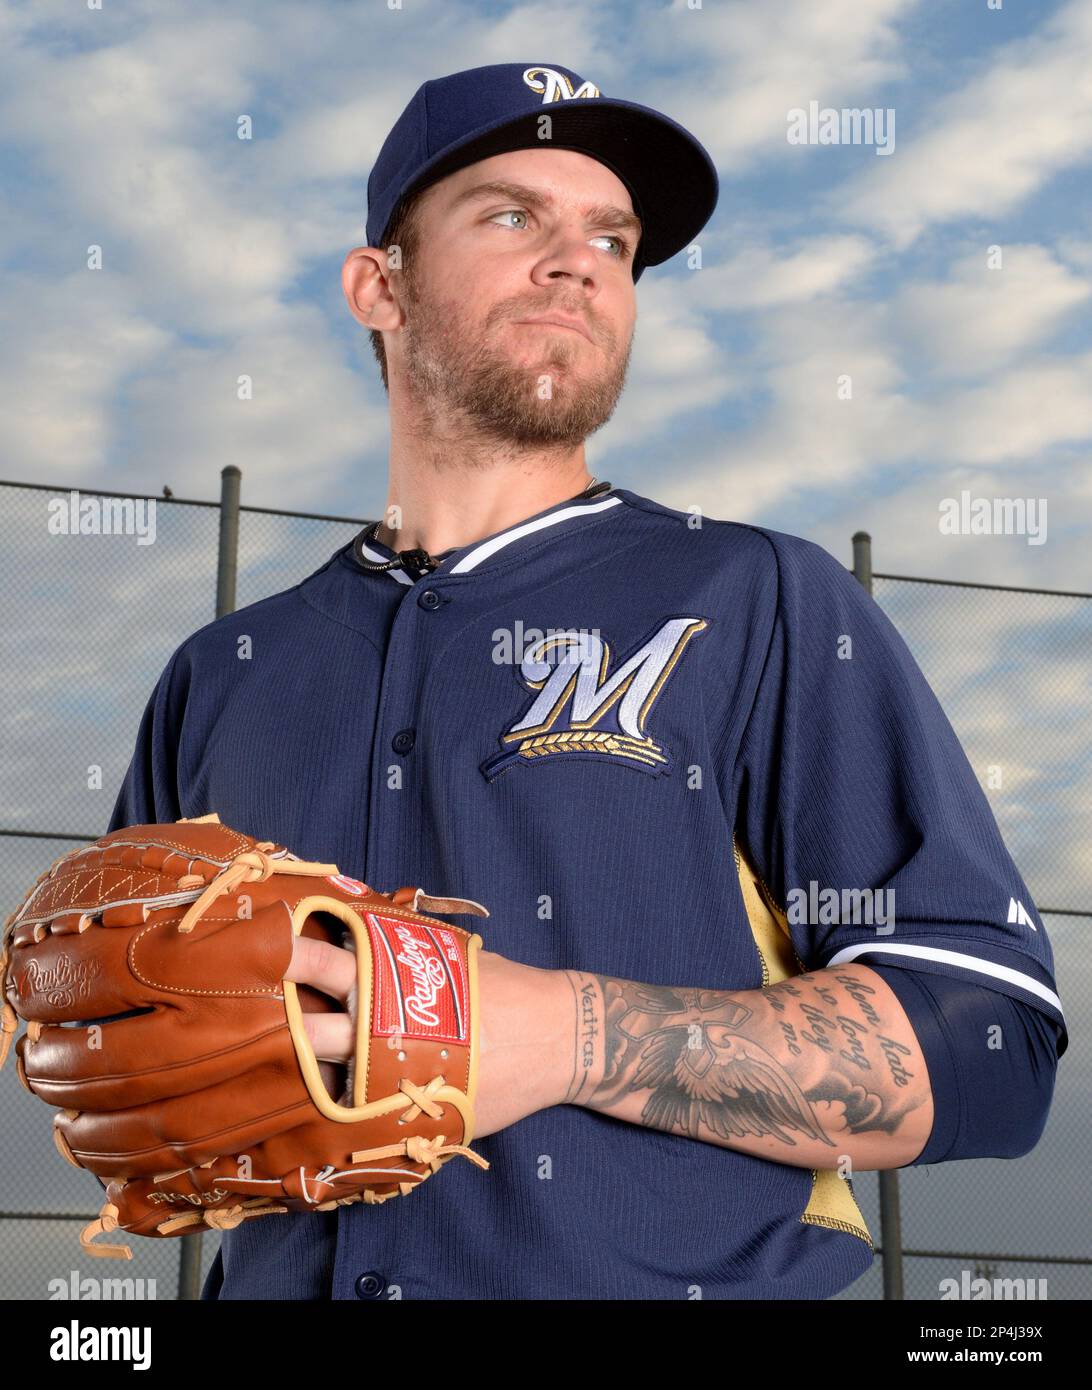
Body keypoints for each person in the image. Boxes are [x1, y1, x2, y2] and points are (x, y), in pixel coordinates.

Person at [109, 62, 1067, 1301]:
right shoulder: (225, 671)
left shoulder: (758, 596)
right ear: (376, 286)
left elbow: (993, 1042)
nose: (576, 261)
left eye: (611, 240)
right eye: (512, 216)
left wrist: (559, 1035)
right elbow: (131, 1040)